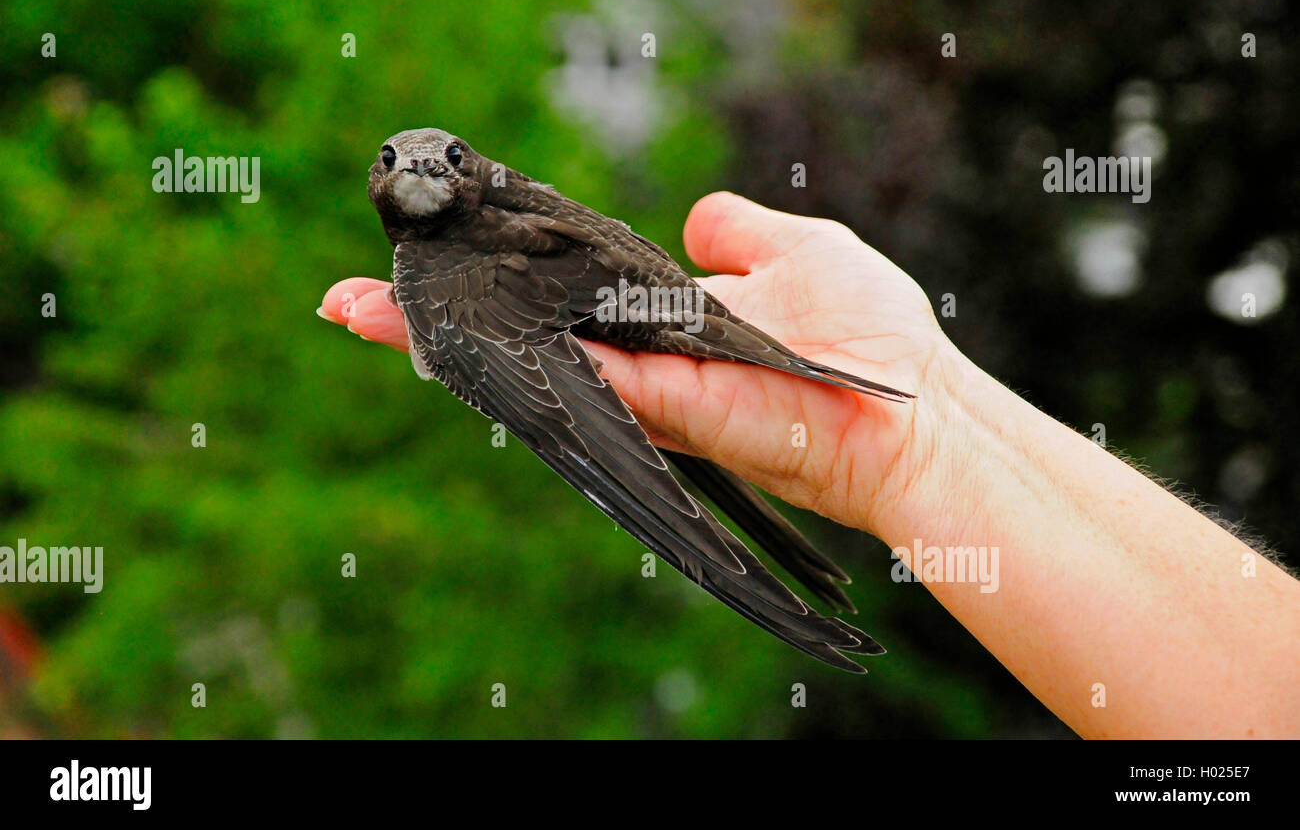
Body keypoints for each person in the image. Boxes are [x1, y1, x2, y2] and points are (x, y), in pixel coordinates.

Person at [318, 191, 1300, 739]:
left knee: (564, 405)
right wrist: (927, 424)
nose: (422, 176)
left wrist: (922, 425)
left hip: (611, 299)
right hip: (613, 302)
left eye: (439, 162)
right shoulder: (449, 262)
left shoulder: (463, 266)